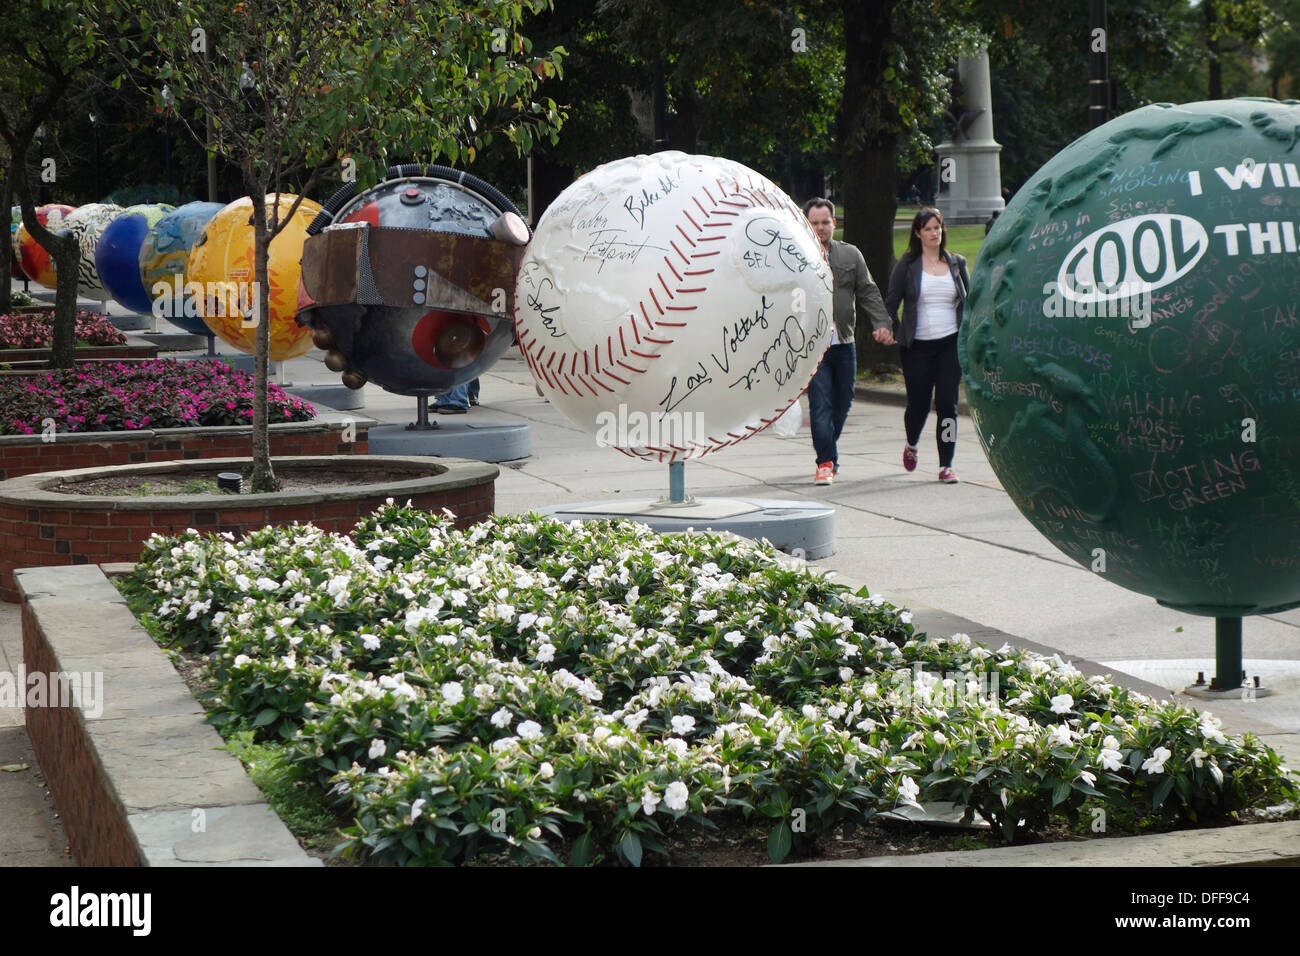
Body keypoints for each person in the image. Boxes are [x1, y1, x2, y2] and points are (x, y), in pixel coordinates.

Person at [801, 198, 892, 485]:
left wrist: (881, 323)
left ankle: (828, 448)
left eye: (825, 222)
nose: (820, 228)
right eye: (814, 223)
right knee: (820, 405)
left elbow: (867, 291)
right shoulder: (794, 258)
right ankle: (825, 462)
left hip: (844, 342)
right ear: (806, 225)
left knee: (843, 402)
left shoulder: (850, 255)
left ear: (834, 223)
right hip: (813, 348)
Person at [884, 207, 969, 483]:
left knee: (948, 405)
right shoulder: (907, 265)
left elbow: (970, 304)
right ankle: (912, 443)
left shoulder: (956, 263)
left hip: (949, 345)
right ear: (918, 233)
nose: (935, 233)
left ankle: (946, 464)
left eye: (938, 227)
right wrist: (885, 327)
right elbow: (892, 302)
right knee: (918, 405)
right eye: (929, 228)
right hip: (917, 347)